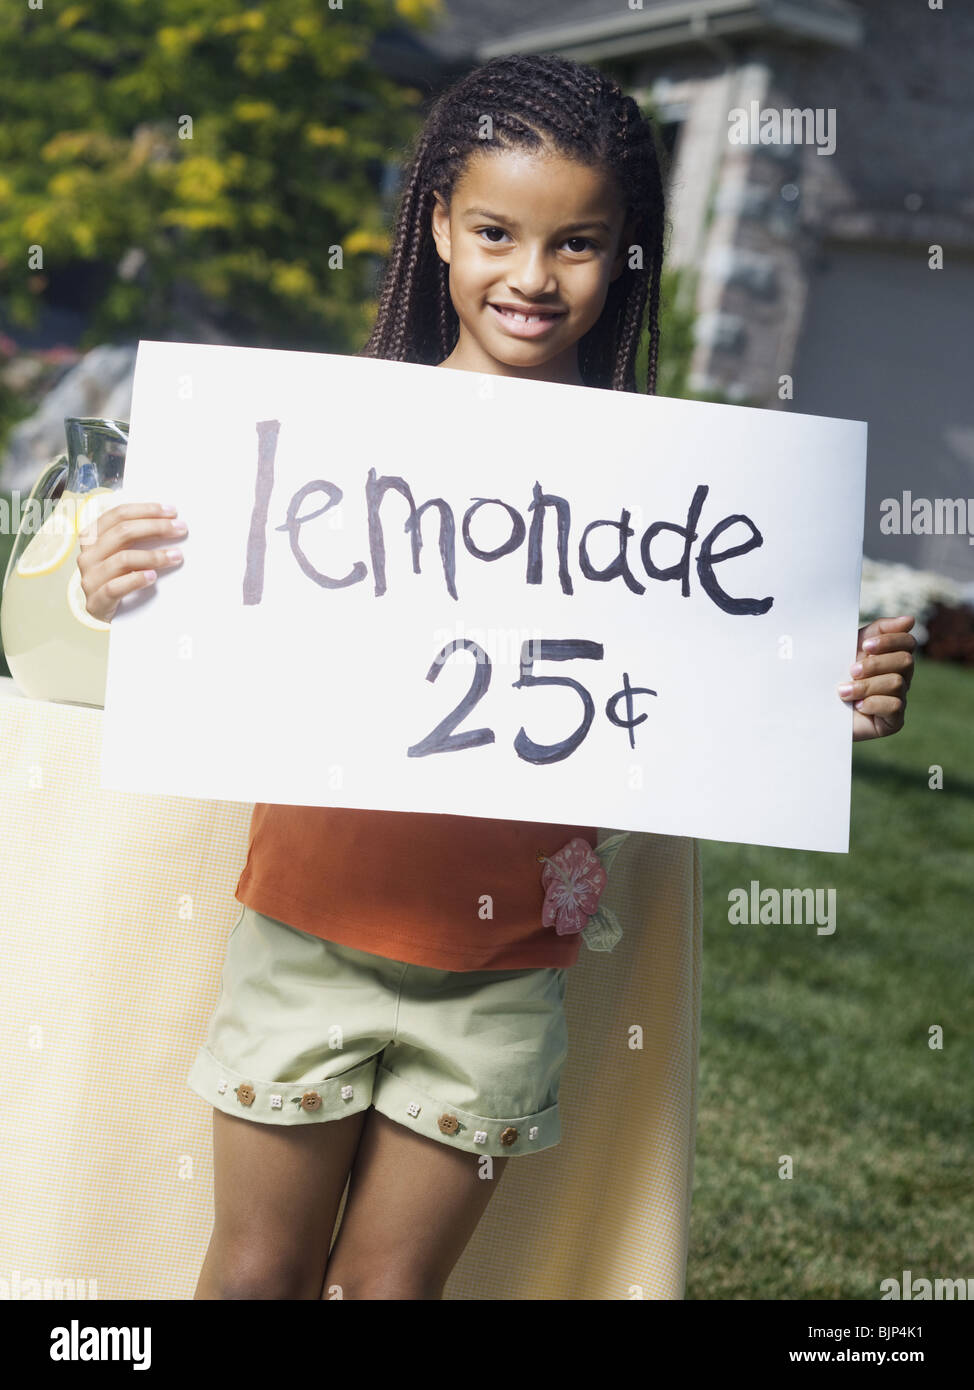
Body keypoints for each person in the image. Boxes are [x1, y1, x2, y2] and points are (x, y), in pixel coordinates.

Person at [75, 53, 917, 1301]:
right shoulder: (329, 440)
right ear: (436, 226)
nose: (532, 276)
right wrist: (116, 583)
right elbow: (202, 626)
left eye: (577, 243)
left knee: (389, 1290)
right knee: (256, 1271)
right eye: (495, 233)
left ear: (624, 252)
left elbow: (720, 694)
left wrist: (823, 702)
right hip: (309, 929)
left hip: (504, 971)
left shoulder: (666, 493)